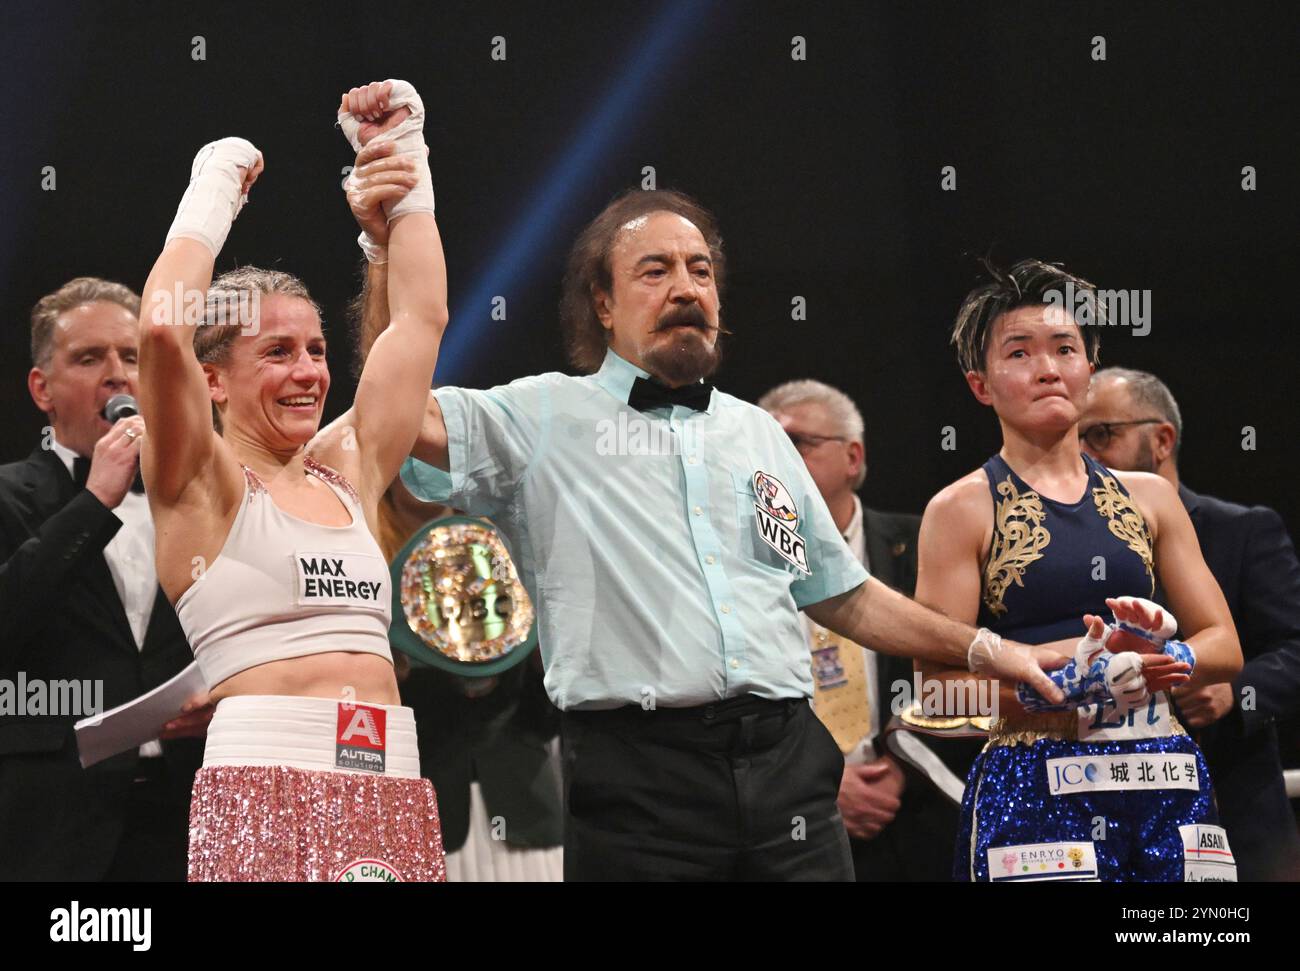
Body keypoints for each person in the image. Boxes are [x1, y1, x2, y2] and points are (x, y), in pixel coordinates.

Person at [392, 190, 1071, 881]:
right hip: (639, 782)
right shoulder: (542, 415)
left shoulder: (758, 432)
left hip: (788, 769)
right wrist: (391, 229)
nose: (685, 287)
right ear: (602, 303)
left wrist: (988, 648)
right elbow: (398, 415)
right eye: (654, 271)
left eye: (700, 270)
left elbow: (843, 594)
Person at [137, 79, 448, 882]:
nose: (309, 371)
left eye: (314, 349)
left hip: (393, 781)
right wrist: (214, 189)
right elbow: (161, 331)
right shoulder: (199, 484)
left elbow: (419, 320)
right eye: (276, 352)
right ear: (215, 380)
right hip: (263, 787)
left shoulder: (349, 468)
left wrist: (404, 159)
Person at [915, 259, 1242, 882]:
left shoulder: (1150, 496)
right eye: (1019, 353)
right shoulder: (959, 510)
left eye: (1065, 349)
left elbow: (1223, 643)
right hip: (1036, 786)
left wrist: (1159, 667)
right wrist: (1069, 685)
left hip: (1163, 770)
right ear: (980, 384)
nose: (1047, 368)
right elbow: (936, 691)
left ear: (1089, 369)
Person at [0, 277, 209, 880]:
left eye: (133, 357)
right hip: (52, 825)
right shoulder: (9, 496)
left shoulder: (196, 500)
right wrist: (94, 502)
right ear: (42, 388)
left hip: (189, 814)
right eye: (89, 358)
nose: (117, 375)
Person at [1082, 366, 1300, 880]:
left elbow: (1295, 645)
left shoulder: (1242, 530)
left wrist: (1237, 692)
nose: (1084, 453)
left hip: (1234, 808)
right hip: (1104, 809)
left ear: (1161, 440)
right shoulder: (1070, 551)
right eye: (1073, 439)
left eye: (1100, 434)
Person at [758, 378, 976, 881]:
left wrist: (908, 768)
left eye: (798, 444)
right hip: (787, 822)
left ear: (853, 457)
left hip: (921, 814)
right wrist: (819, 781)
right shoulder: (733, 562)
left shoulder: (925, 544)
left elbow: (968, 674)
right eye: (766, 445)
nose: (777, 458)